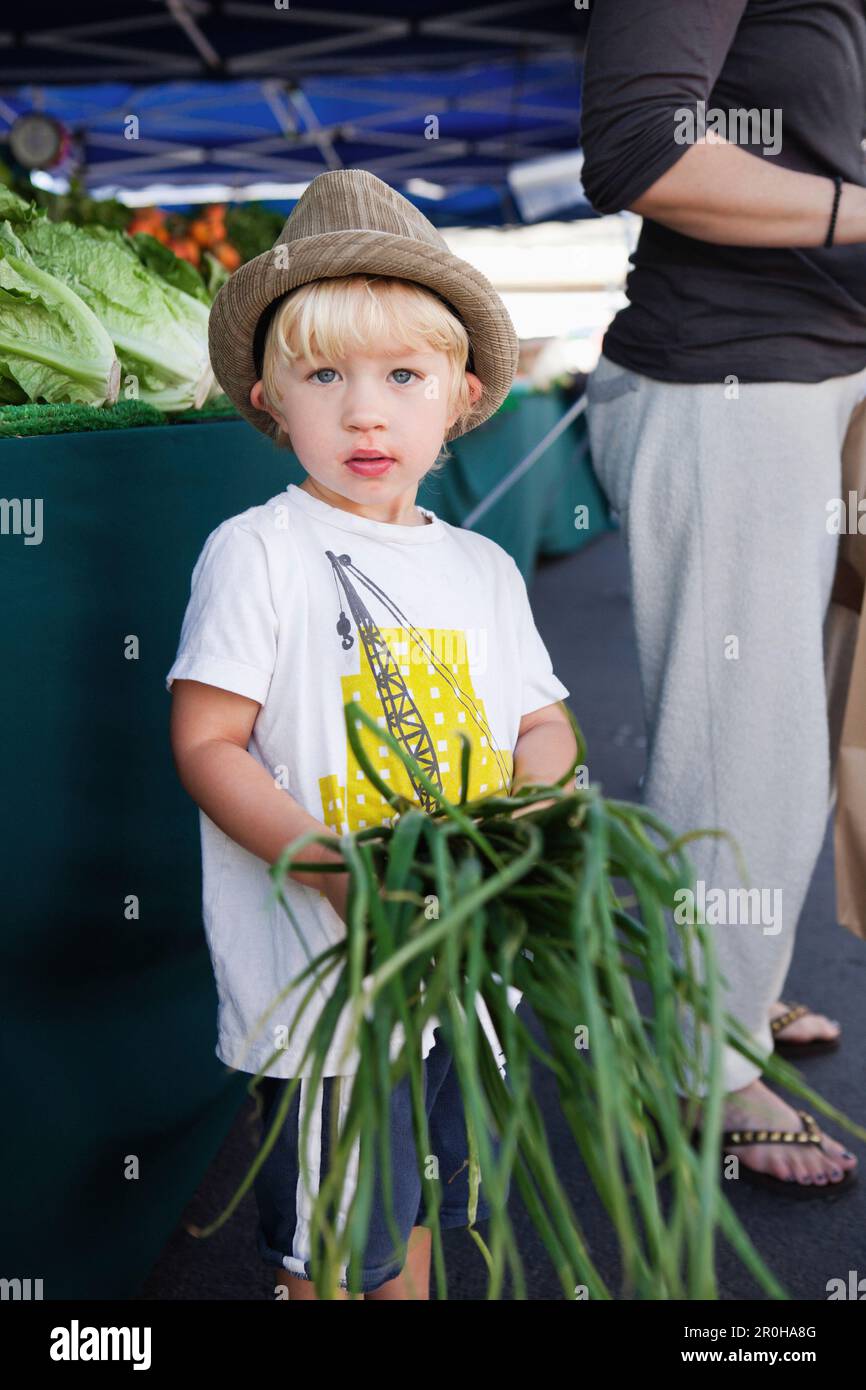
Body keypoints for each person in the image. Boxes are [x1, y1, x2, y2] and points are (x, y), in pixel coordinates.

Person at [165, 169, 576, 1297]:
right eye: (323, 377)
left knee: (430, 1212)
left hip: (463, 976)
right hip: (328, 991)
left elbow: (543, 724)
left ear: (462, 394)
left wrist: (525, 806)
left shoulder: (481, 568)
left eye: (403, 376)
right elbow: (206, 743)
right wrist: (327, 864)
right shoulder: (257, 551)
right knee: (333, 1250)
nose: (364, 410)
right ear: (268, 399)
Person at [580, 0, 866, 1195]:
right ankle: (701, 1067)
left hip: (829, 380)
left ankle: (731, 986)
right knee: (744, 745)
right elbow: (639, 146)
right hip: (729, 381)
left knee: (811, 729)